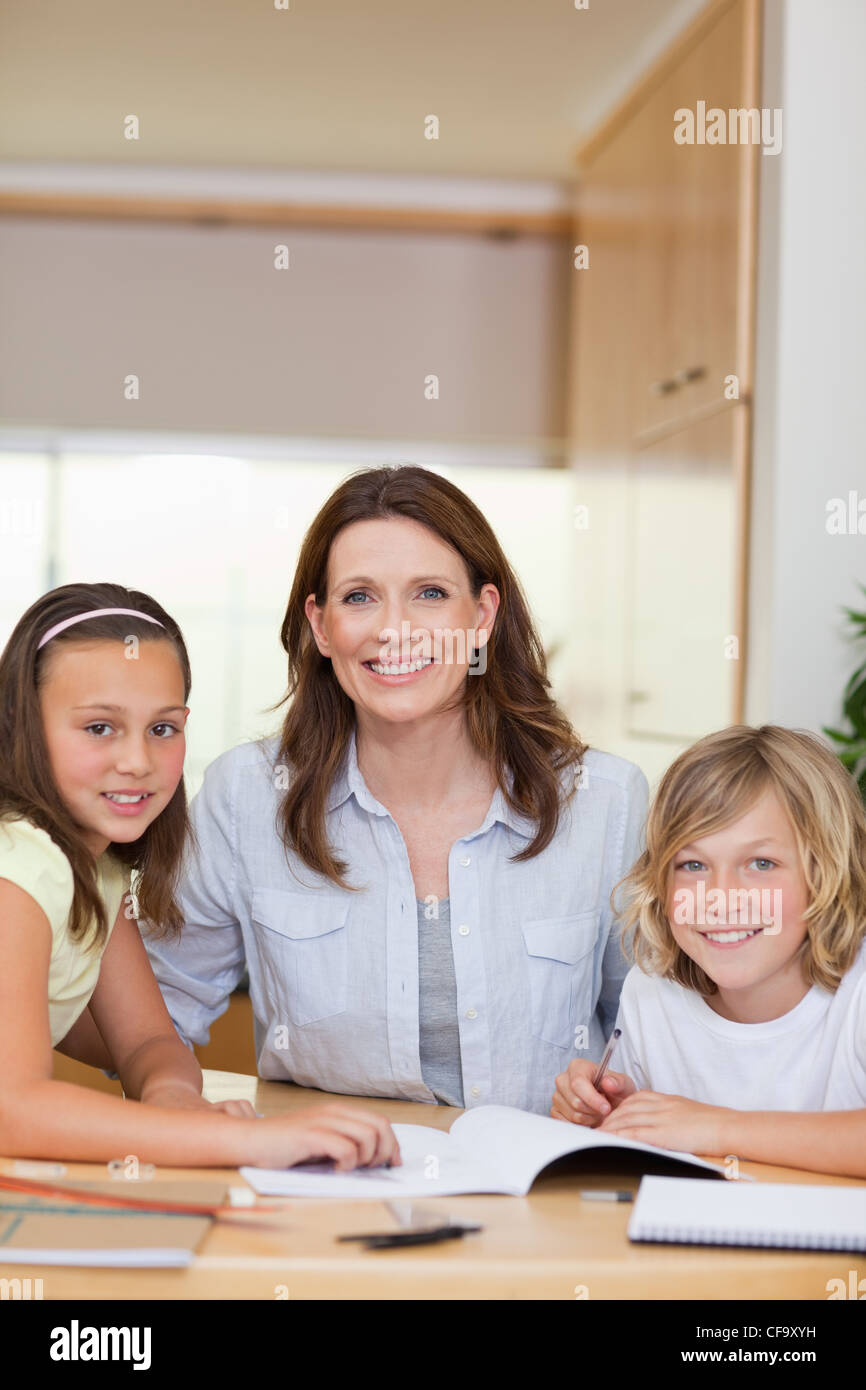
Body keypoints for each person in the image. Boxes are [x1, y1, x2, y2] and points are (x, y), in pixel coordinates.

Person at [143, 465, 649, 1116]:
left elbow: (653, 1038)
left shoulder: (603, 802)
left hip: (537, 1197)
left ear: (483, 614)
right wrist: (181, 1105)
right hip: (318, 1185)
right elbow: (158, 1013)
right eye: (359, 597)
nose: (396, 628)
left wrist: (609, 1092)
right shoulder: (247, 796)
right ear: (321, 626)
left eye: (430, 593)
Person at [0, 582, 400, 1171]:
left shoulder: (95, 873)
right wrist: (247, 1141)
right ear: (22, 726)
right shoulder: (21, 868)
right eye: (99, 728)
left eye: (162, 729)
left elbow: (146, 1041)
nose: (137, 761)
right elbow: (15, 1110)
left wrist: (173, 1099)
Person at [551, 724, 866, 1178]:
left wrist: (718, 1127)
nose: (720, 897)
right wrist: (607, 1111)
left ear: (826, 872)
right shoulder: (653, 991)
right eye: (693, 865)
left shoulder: (856, 994)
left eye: (761, 863)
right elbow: (652, 1138)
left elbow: (699, 1130)